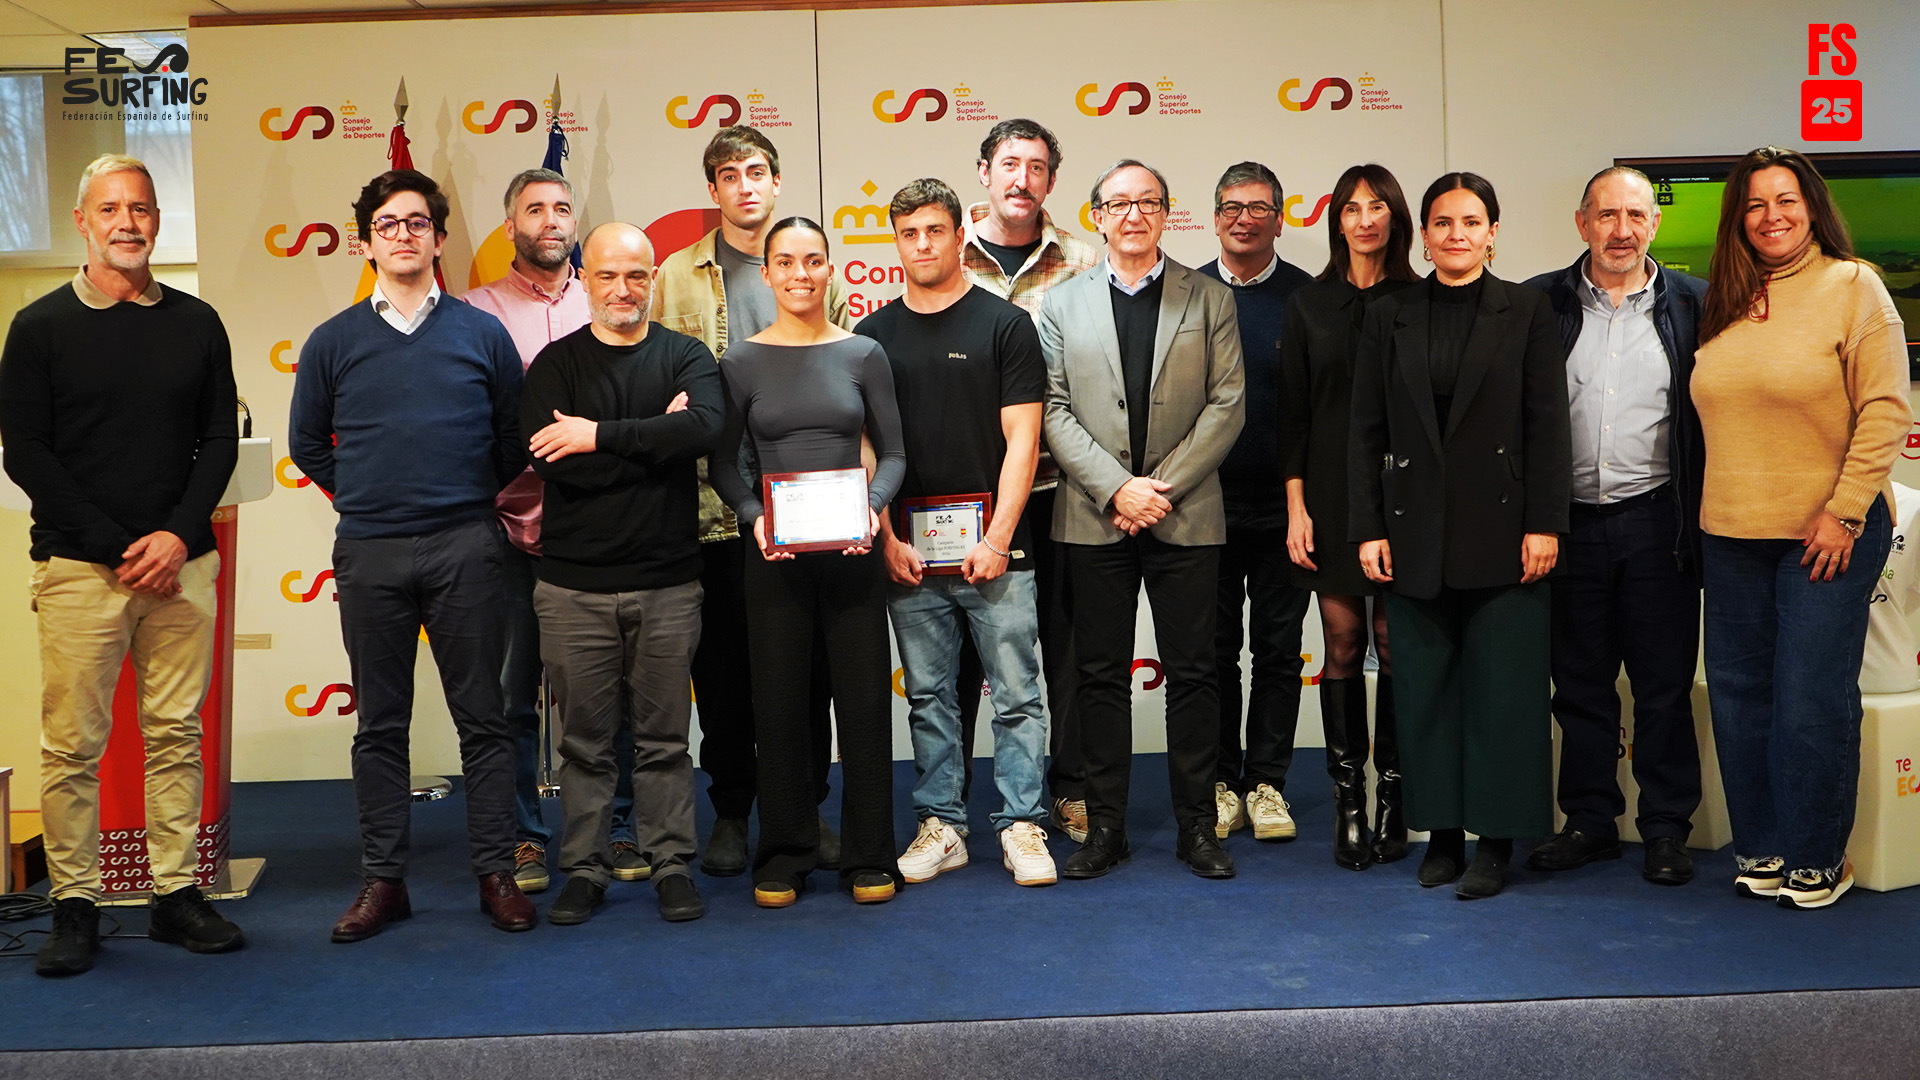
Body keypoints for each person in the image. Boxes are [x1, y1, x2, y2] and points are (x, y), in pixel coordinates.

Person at [1, 153, 243, 976]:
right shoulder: (37, 328)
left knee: (175, 734)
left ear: (157, 221)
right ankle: (76, 902)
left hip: (184, 565)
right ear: (84, 222)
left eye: (140, 208)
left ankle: (176, 896)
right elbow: (26, 451)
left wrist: (177, 535)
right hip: (79, 568)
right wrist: (115, 546)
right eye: (110, 209)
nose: (127, 223)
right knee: (74, 743)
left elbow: (219, 439)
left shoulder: (198, 322)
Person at [290, 168, 533, 940]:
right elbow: (307, 446)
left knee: (484, 720)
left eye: (417, 222)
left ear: (438, 236)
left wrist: (454, 500)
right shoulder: (333, 341)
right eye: (388, 224)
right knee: (379, 727)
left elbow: (508, 441)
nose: (403, 234)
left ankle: (496, 873)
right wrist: (374, 499)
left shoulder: (480, 332)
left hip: (466, 545)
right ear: (365, 239)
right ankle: (384, 882)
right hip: (370, 553)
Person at [1692, 145, 1909, 910]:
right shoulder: (1722, 297)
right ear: (1737, 219)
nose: (1771, 216)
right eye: (1754, 204)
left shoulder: (1854, 286)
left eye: (1786, 200)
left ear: (1812, 207)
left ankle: (1818, 852)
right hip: (1731, 535)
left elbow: (1886, 408)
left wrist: (1845, 510)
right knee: (1741, 696)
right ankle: (1763, 845)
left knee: (1812, 697)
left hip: (1829, 534)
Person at [1348, 171, 1571, 900]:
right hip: (1412, 537)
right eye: (1443, 222)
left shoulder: (1528, 310)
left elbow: (1547, 425)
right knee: (1425, 694)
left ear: (1493, 232)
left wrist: (1545, 523)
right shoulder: (1390, 314)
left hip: (1507, 536)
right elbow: (1365, 429)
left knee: (1504, 696)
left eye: (1471, 222)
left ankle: (1495, 843)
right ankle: (1441, 837)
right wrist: (1368, 530)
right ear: (1427, 232)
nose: (1456, 235)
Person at [1040, 159, 1246, 881]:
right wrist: (1117, 489)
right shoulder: (1061, 304)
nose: (1133, 214)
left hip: (1186, 512)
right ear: (1096, 215)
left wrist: (1159, 489)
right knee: (1097, 677)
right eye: (1119, 203)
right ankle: (1106, 829)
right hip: (1095, 517)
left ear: (1167, 213)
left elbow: (1228, 404)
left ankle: (1198, 828)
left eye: (1148, 202)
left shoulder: (1210, 297)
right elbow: (1054, 409)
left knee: (1194, 672)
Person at [654, 126, 846, 876]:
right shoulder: (672, 277)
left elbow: (845, 381)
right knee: (726, 677)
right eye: (728, 174)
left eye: (757, 171)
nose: (745, 185)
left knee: (809, 676)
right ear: (713, 190)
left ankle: (804, 808)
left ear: (776, 180)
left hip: (808, 513)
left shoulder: (807, 269)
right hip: (709, 515)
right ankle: (732, 813)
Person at [520, 223, 724, 925]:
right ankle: (584, 866)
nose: (622, 290)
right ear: (587, 277)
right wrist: (652, 438)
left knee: (666, 740)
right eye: (607, 276)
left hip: (669, 582)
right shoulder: (554, 364)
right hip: (573, 587)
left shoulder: (685, 355)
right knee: (584, 743)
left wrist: (598, 434)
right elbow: (552, 461)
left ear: (653, 279)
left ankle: (670, 863)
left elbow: (704, 431)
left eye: (636, 276)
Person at [858, 179, 1054, 887]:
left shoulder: (1004, 325)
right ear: (896, 240)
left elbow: (1023, 441)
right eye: (908, 233)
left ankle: (1023, 824)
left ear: (958, 233)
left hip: (997, 550)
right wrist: (885, 538)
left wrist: (998, 537)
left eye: (935, 231)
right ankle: (942, 824)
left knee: (1018, 692)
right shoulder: (871, 336)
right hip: (909, 551)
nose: (922, 245)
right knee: (929, 695)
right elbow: (867, 450)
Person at [710, 216, 906, 907]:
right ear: (766, 274)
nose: (799, 274)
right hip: (773, 558)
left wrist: (872, 509)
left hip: (853, 556)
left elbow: (896, 453)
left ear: (831, 271)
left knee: (862, 710)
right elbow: (724, 466)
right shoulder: (738, 363)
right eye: (785, 262)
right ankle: (785, 851)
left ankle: (868, 855)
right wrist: (752, 517)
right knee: (782, 710)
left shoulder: (863, 354)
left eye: (813, 261)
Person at [1522, 167, 1708, 888]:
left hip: (1659, 521)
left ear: (1653, 225)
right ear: (1581, 223)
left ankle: (1665, 828)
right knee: (1580, 685)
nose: (1621, 229)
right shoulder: (1540, 303)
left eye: (1635, 215)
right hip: (1566, 526)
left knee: (1662, 684)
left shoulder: (1694, 303)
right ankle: (1591, 822)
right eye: (1606, 215)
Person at [466, 168, 647, 894]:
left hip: (602, 536)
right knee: (511, 699)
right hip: (510, 536)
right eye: (534, 209)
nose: (550, 220)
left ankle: (619, 826)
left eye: (562, 208)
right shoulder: (475, 314)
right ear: (510, 226)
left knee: (617, 698)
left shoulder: (610, 303)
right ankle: (523, 839)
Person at [962, 119, 1100, 843]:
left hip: (1061, 488)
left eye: (1037, 167)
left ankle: (1072, 788)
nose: (1021, 179)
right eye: (1008, 164)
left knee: (1068, 646)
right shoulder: (942, 255)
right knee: (955, 655)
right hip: (959, 494)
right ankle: (945, 802)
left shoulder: (1084, 261)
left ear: (1052, 180)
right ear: (983, 172)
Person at [1278, 163, 1419, 870]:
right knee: (1340, 643)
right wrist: (1297, 510)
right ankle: (1350, 805)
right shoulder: (1309, 305)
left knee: (1394, 643)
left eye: (1378, 206)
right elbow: (1294, 419)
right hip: (1329, 498)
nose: (1365, 219)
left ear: (1396, 217)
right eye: (1352, 207)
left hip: (1404, 498)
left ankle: (1396, 797)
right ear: (1336, 218)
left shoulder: (1423, 299)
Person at [1197, 161, 1315, 844]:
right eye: (1232, 207)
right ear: (1214, 218)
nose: (1245, 218)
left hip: (1284, 510)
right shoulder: (1186, 293)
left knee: (1276, 650)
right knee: (1211, 653)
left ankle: (1266, 782)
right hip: (1202, 507)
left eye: (1260, 207)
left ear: (1280, 217)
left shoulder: (1307, 297)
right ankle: (1218, 779)